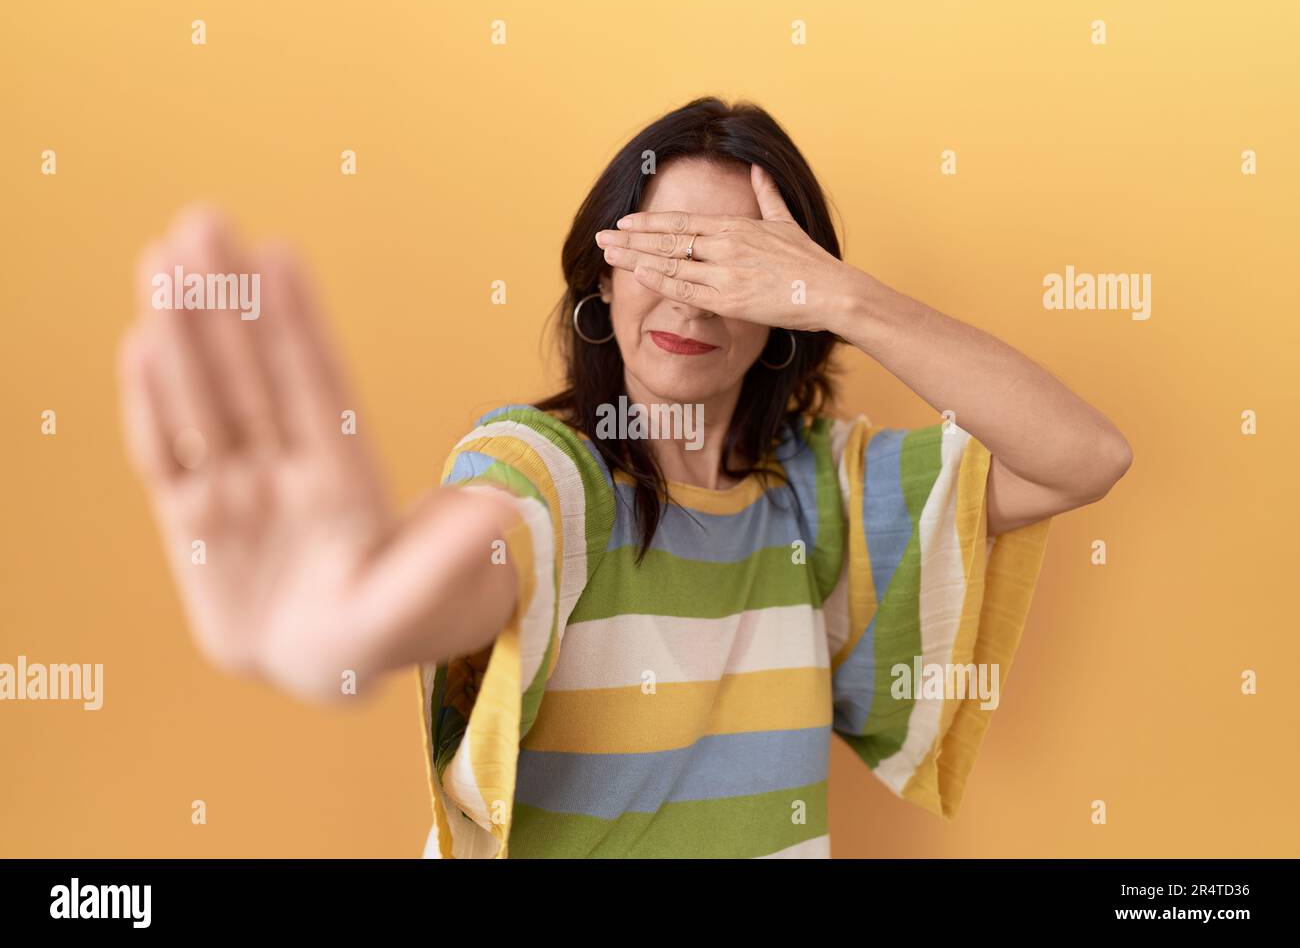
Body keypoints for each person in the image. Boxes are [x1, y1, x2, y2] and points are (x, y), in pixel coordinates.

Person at [118, 97, 1131, 859]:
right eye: (661, 250)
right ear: (600, 273)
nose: (690, 295)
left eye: (732, 262)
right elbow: (477, 545)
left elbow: (1085, 456)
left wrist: (845, 295)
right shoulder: (550, 469)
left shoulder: (818, 494)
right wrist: (343, 622)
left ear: (788, 304)